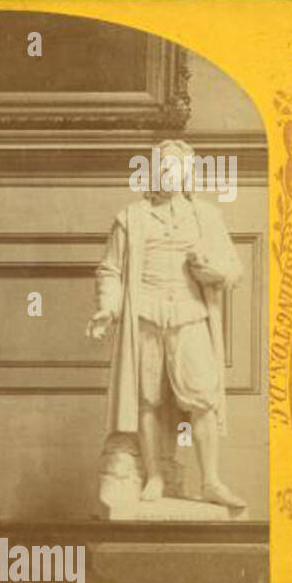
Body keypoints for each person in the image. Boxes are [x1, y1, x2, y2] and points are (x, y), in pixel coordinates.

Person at [87, 140, 246, 508]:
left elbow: (233, 270)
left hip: (191, 316)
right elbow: (109, 270)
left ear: (187, 175)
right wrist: (107, 309)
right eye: (164, 168)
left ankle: (211, 481)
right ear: (154, 172)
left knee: (203, 397)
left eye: (177, 169)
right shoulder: (131, 218)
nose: (170, 175)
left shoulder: (206, 217)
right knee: (147, 398)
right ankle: (155, 476)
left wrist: (213, 272)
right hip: (145, 315)